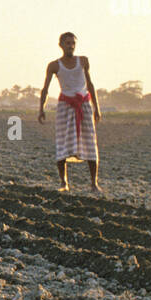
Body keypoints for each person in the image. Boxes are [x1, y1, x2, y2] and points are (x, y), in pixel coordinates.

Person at [38, 32, 101, 192]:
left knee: (90, 142)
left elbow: (90, 84)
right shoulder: (54, 65)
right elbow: (45, 89)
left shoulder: (83, 61)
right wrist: (41, 109)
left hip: (84, 105)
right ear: (61, 45)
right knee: (62, 143)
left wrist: (96, 108)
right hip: (65, 106)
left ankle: (94, 183)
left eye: (73, 43)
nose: (71, 46)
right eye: (67, 43)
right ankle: (63, 182)